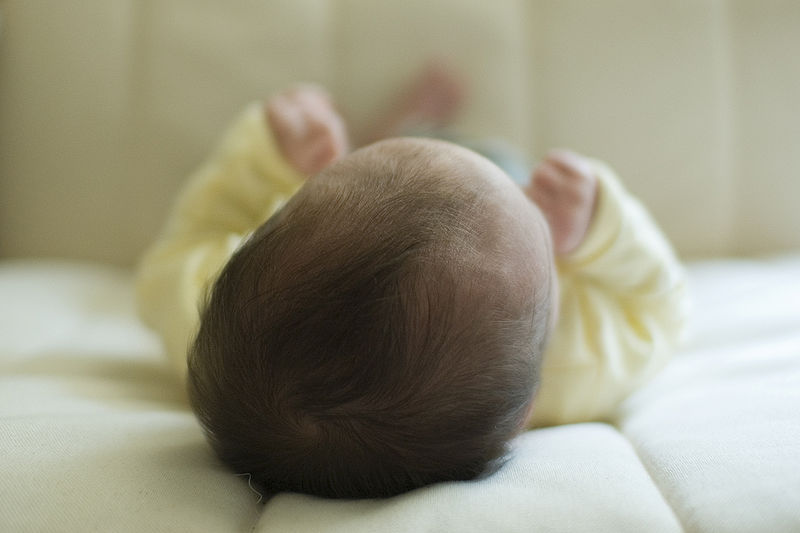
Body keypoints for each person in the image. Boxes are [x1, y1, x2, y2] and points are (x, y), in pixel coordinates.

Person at [135, 66, 687, 499]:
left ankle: (386, 140)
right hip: (512, 175)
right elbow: (657, 308)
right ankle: (405, 141)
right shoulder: (580, 364)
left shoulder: (226, 327)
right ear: (526, 410)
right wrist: (600, 230)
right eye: (533, 232)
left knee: (391, 182)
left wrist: (268, 163)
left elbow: (180, 250)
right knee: (475, 165)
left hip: (392, 195)